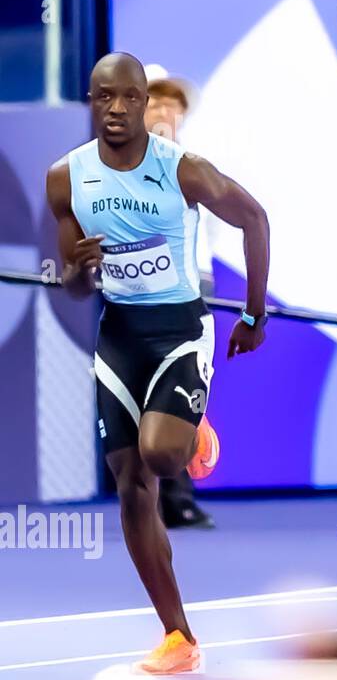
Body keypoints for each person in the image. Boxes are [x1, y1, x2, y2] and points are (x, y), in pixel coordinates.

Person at [45, 52, 271, 673]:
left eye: (127, 98)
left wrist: (254, 316)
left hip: (178, 329)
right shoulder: (66, 178)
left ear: (144, 105)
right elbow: (73, 286)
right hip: (118, 336)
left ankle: (188, 422)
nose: (115, 109)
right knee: (130, 489)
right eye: (102, 98)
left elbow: (254, 218)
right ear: (91, 103)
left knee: (162, 455)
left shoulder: (183, 171)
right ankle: (180, 637)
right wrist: (80, 271)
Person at [143, 64, 217, 528]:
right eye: (155, 100)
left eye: (174, 102)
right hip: (141, 294)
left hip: (191, 292)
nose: (167, 110)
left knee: (182, 395)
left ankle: (177, 497)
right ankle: (155, 499)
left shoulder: (192, 166)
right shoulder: (109, 167)